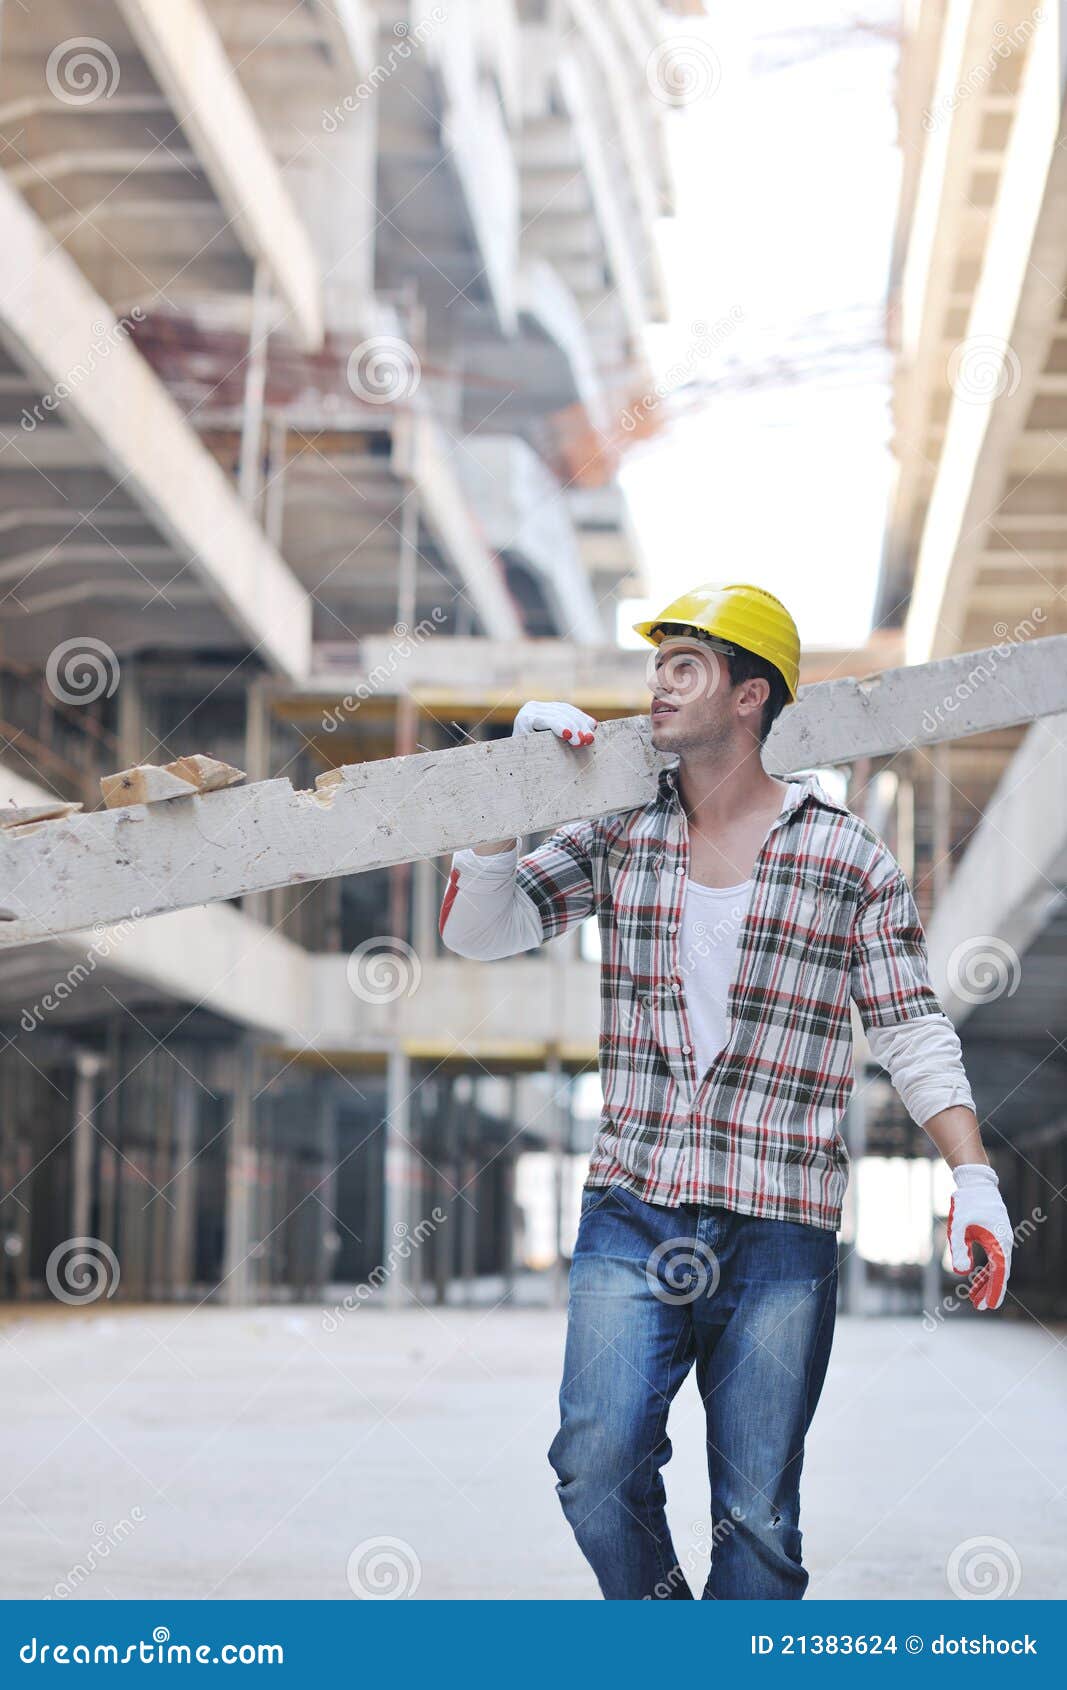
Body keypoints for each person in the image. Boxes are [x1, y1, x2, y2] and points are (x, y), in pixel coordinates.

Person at [438, 581, 1013, 1601]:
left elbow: (911, 1032)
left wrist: (971, 1182)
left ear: (748, 695)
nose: (656, 686)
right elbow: (477, 929)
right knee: (593, 1464)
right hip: (634, 1200)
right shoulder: (621, 831)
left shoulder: (846, 860)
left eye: (683, 667)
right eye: (653, 665)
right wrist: (507, 789)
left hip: (779, 1226)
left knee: (755, 1522)